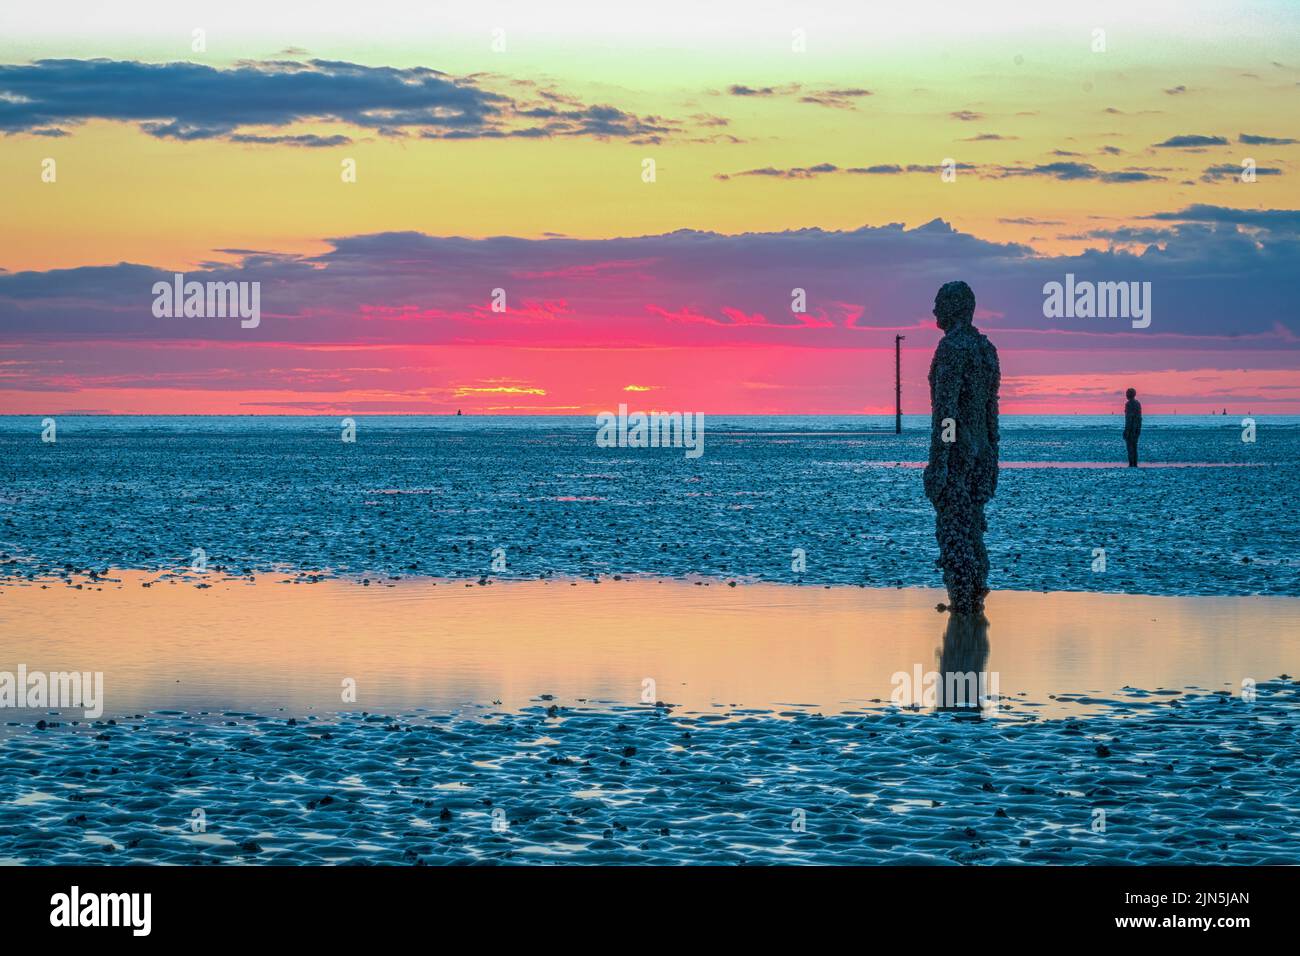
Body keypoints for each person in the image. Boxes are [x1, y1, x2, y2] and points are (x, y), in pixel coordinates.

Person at [923, 281, 1000, 614]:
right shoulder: (986, 350)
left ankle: (963, 604)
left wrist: (938, 462)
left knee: (955, 530)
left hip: (959, 453)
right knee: (973, 527)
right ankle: (973, 607)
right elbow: (990, 411)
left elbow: (946, 412)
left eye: (939, 303)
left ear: (954, 307)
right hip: (982, 450)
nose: (934, 310)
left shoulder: (952, 349)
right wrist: (993, 457)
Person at [1123, 388, 1142, 467]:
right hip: (1137, 428)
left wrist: (1126, 430)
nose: (1126, 395)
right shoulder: (1138, 403)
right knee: (1134, 447)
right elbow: (1139, 417)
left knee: (1130, 447)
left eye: (1127, 393)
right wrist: (1138, 428)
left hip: (1131, 429)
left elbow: (1129, 419)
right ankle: (1135, 464)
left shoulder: (1129, 404)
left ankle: (1131, 464)